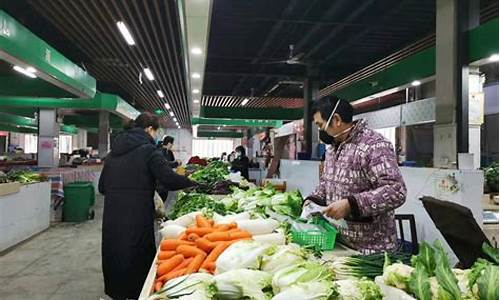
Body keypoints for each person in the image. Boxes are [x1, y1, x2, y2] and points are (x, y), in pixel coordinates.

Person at [98, 113, 195, 300]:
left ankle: (117, 293)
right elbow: (168, 180)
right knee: (137, 254)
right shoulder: (149, 151)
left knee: (115, 252)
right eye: (156, 132)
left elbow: (102, 187)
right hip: (137, 214)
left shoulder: (112, 155)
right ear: (150, 129)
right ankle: (138, 294)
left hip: (113, 217)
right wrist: (191, 182)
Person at [305, 96, 406, 253]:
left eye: (320, 125)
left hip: (371, 250)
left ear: (336, 119)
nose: (320, 131)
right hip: (341, 243)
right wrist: (313, 200)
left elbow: (396, 191)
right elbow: (327, 182)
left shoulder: (374, 145)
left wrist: (351, 204)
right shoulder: (333, 148)